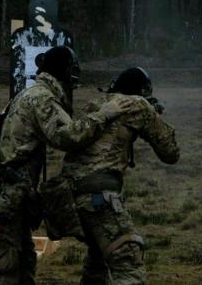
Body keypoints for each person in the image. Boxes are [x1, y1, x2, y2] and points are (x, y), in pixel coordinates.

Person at [0, 46, 135, 285]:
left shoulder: (29, 94)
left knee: (21, 261)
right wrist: (105, 113)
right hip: (10, 195)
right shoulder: (42, 98)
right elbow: (68, 136)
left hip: (11, 194)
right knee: (4, 268)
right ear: (65, 71)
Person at [61, 67, 180, 285]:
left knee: (98, 260)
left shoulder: (96, 104)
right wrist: (155, 116)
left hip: (68, 197)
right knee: (128, 262)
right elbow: (170, 153)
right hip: (99, 196)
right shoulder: (139, 104)